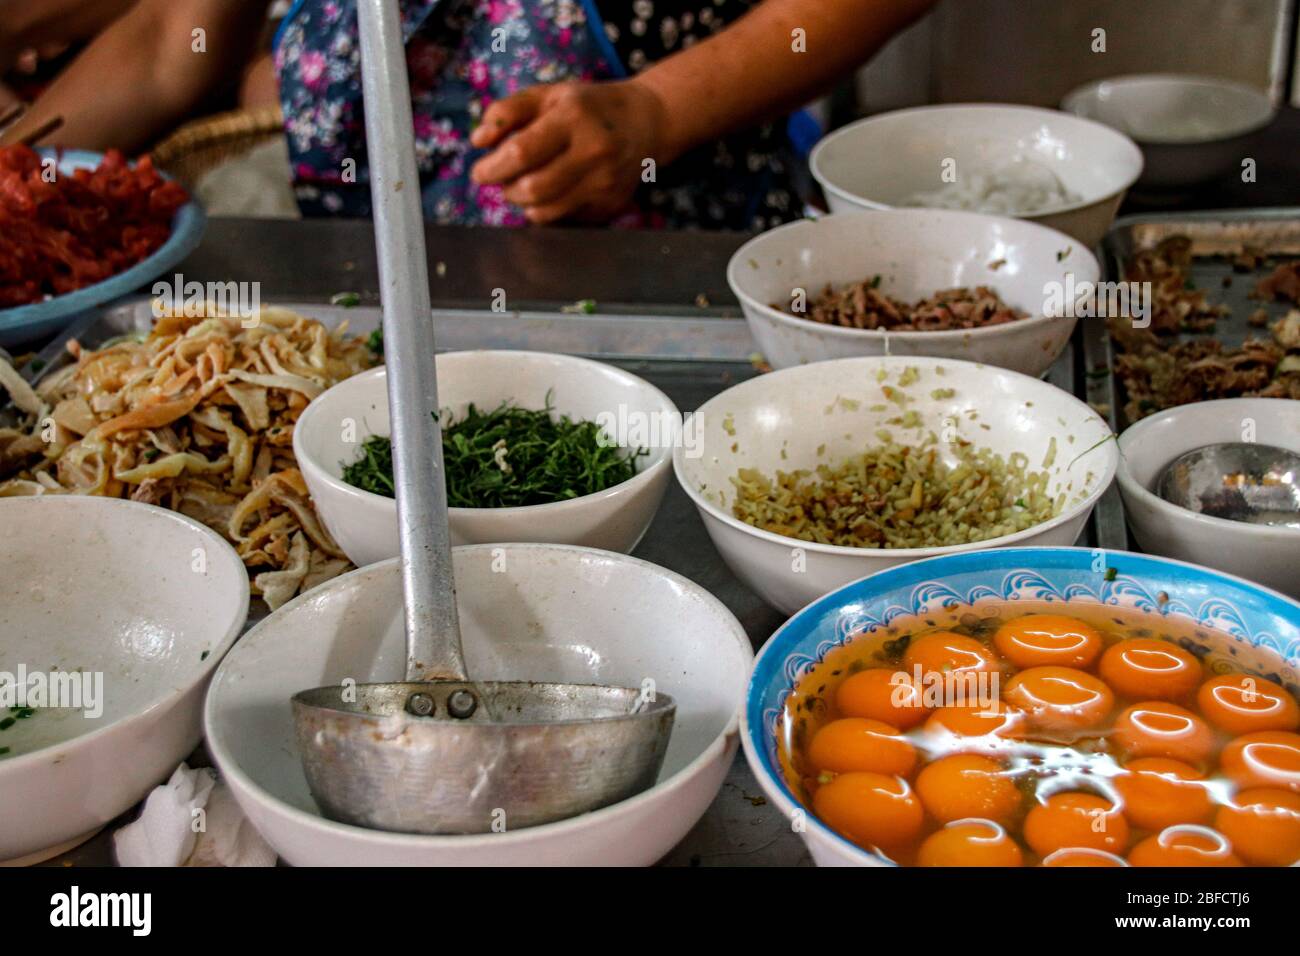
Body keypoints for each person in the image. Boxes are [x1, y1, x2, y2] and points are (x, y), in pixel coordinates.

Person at [3, 0, 933, 228]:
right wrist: (13, 170)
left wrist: (655, 109)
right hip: (355, 267)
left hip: (652, 258)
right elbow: (176, 38)